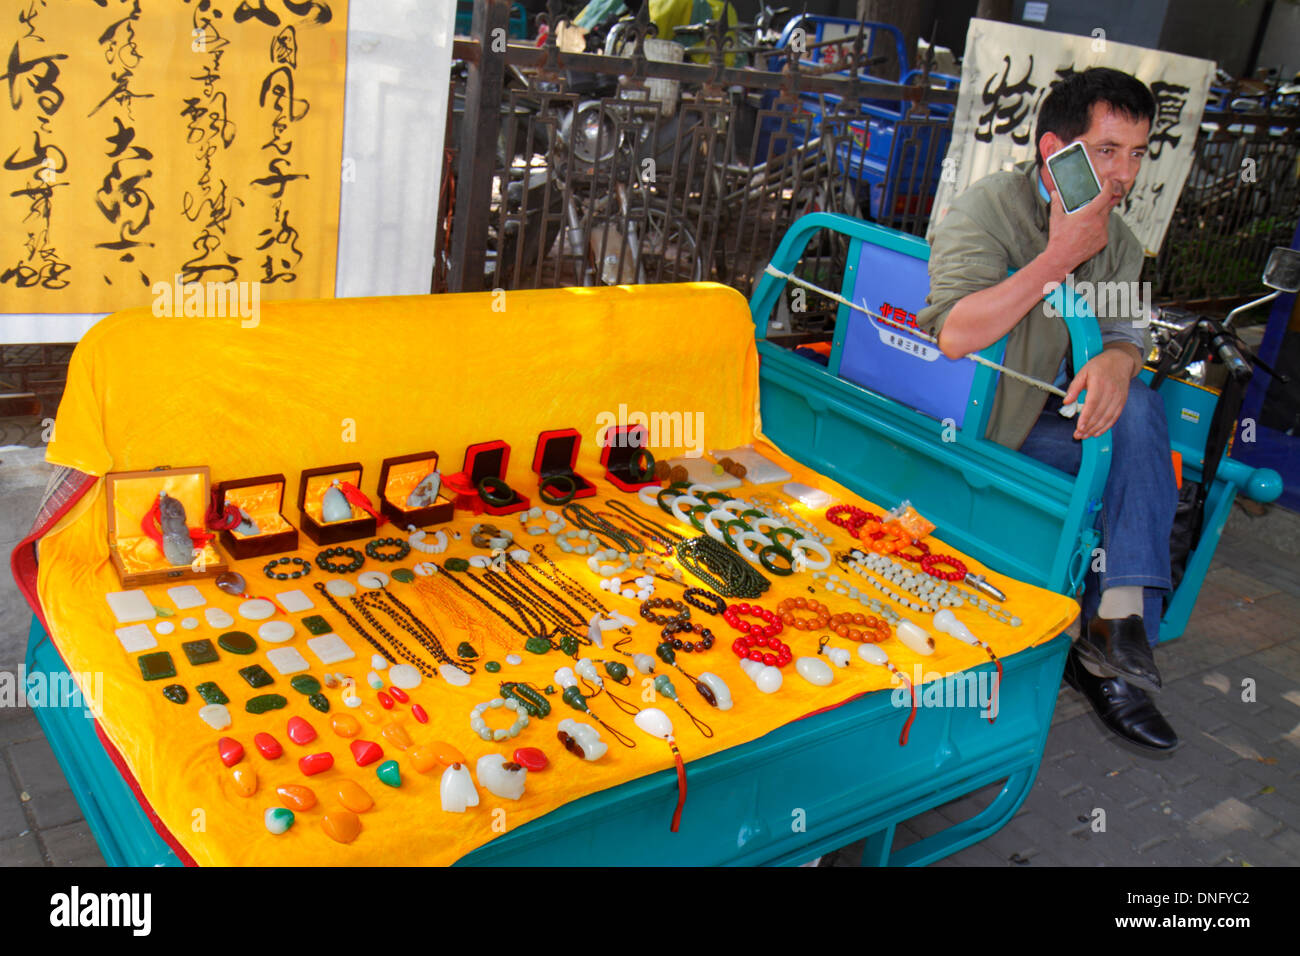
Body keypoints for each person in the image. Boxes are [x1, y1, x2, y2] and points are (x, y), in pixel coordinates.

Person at [917, 67, 1179, 751]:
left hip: (1055, 418)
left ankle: (1114, 628)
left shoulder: (1117, 240)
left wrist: (1119, 361)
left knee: (1142, 410)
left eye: (1137, 153)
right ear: (1054, 150)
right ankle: (1112, 649)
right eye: (1105, 151)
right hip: (980, 423)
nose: (1123, 174)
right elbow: (955, 334)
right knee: (1133, 449)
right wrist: (1057, 258)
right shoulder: (990, 209)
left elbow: (1128, 331)